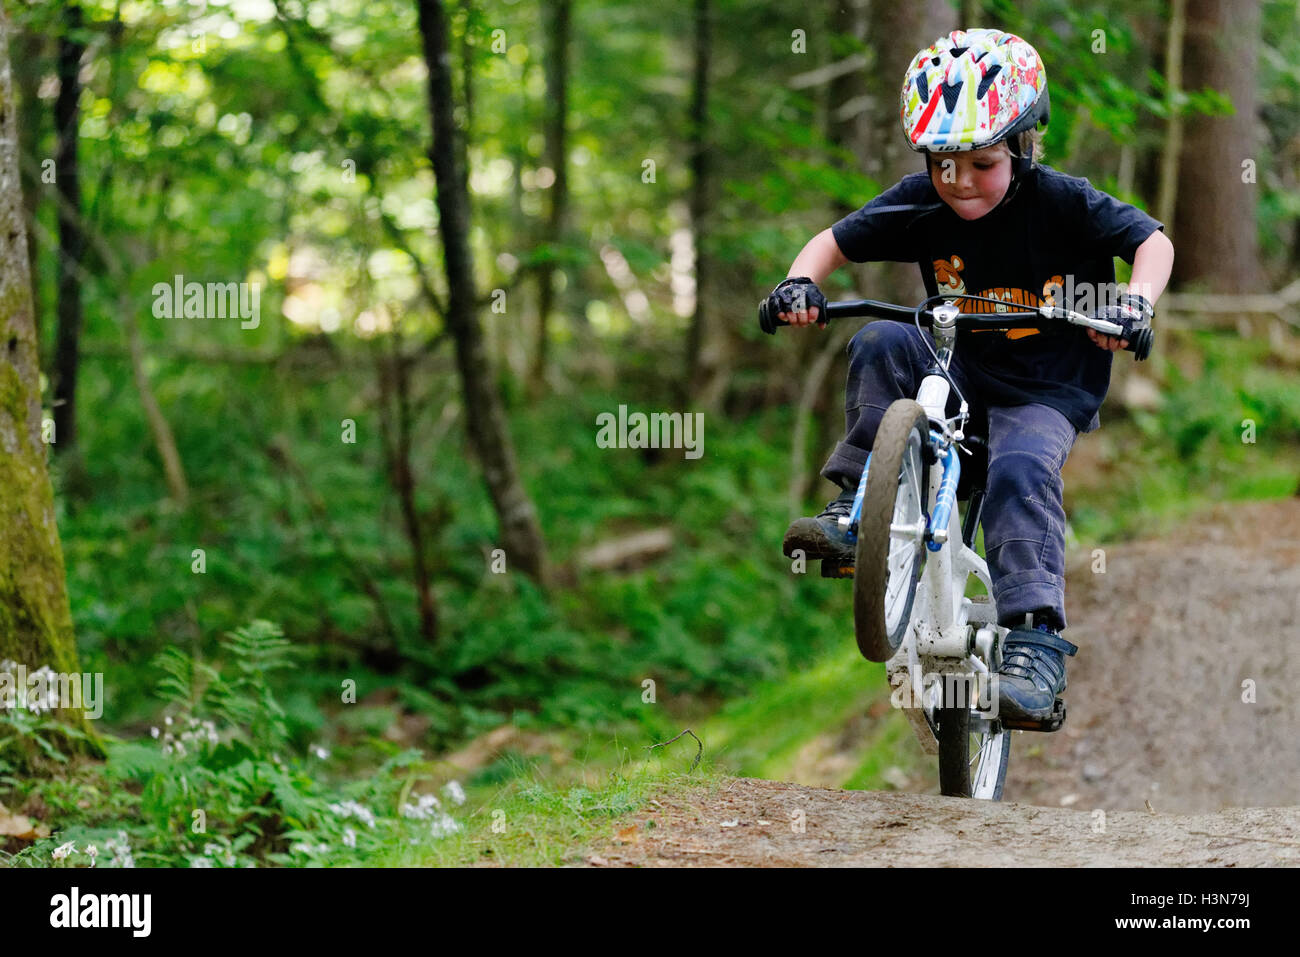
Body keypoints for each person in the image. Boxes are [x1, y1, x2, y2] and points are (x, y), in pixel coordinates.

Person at [766, 28, 1175, 729]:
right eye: (941, 165)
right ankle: (856, 507)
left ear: (1021, 147)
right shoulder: (923, 201)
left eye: (980, 164)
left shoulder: (1062, 202)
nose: (957, 184)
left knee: (1020, 473)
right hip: (956, 366)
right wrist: (801, 284)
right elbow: (833, 242)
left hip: (1046, 390)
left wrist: (1134, 303)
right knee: (879, 339)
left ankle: (1037, 641)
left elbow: (1152, 241)